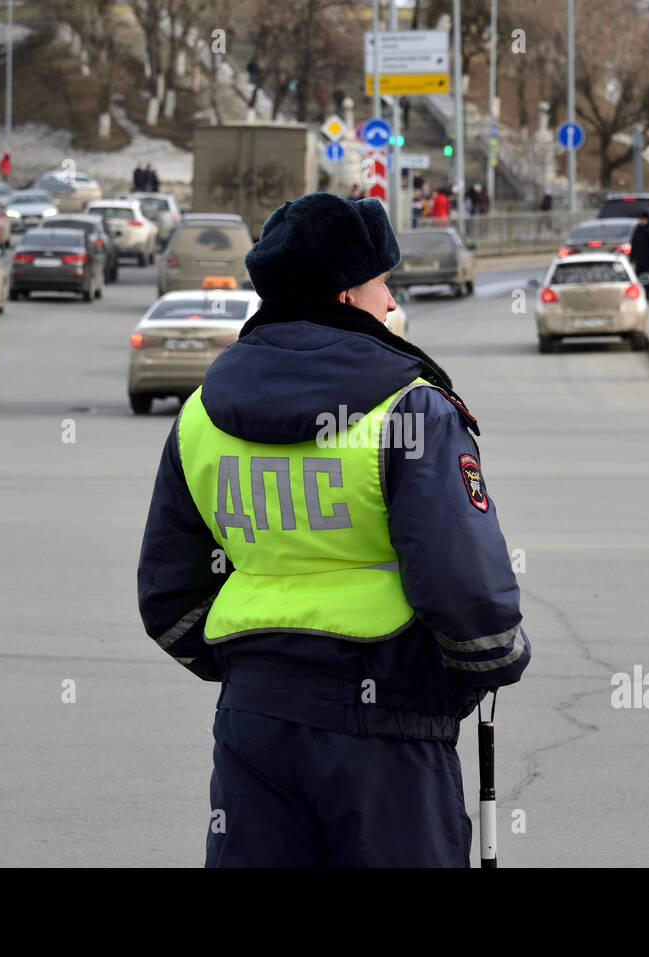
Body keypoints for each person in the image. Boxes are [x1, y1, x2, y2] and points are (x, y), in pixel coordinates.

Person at [136, 192, 531, 866]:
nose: (389, 300)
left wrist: (253, 669)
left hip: (254, 723)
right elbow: (463, 587)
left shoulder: (202, 412)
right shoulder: (411, 408)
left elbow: (169, 593)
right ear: (348, 292)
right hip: (390, 723)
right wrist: (489, 666)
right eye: (383, 282)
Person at [631, 211, 649, 300]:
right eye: (640, 219)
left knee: (648, 277)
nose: (642, 221)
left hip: (648, 258)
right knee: (638, 277)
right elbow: (633, 243)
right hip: (639, 258)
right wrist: (632, 256)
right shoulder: (637, 229)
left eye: (643, 219)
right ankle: (641, 293)